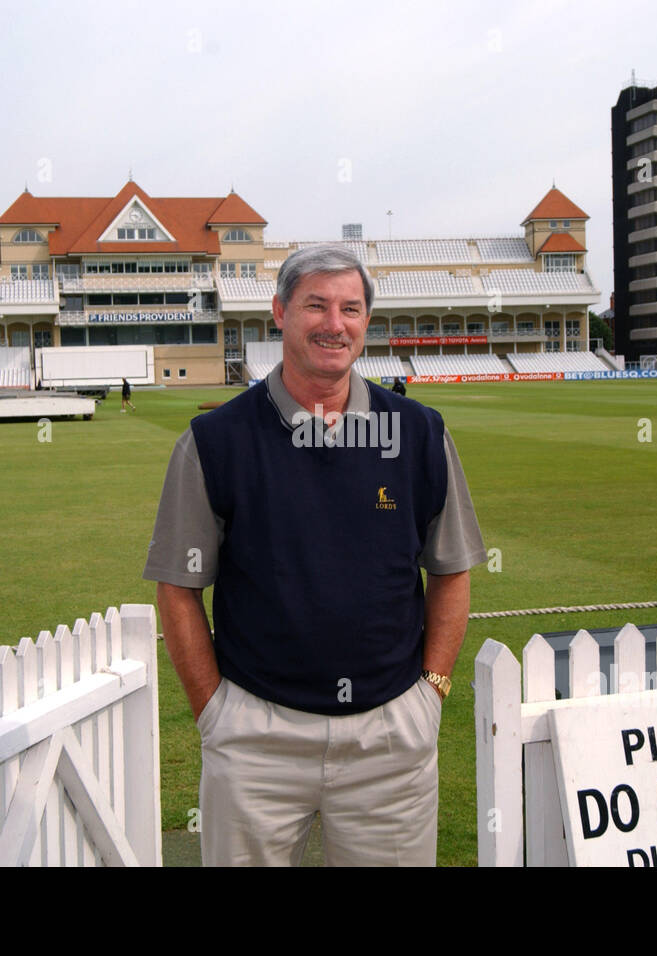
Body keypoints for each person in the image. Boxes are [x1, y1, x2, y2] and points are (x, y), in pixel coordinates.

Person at [143, 245, 485, 866]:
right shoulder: (214, 442)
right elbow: (177, 586)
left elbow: (452, 567)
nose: (335, 324)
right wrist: (215, 712)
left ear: (366, 322)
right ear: (280, 312)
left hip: (390, 738)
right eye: (316, 306)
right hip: (255, 738)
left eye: (351, 308)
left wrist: (431, 689)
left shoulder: (419, 432)